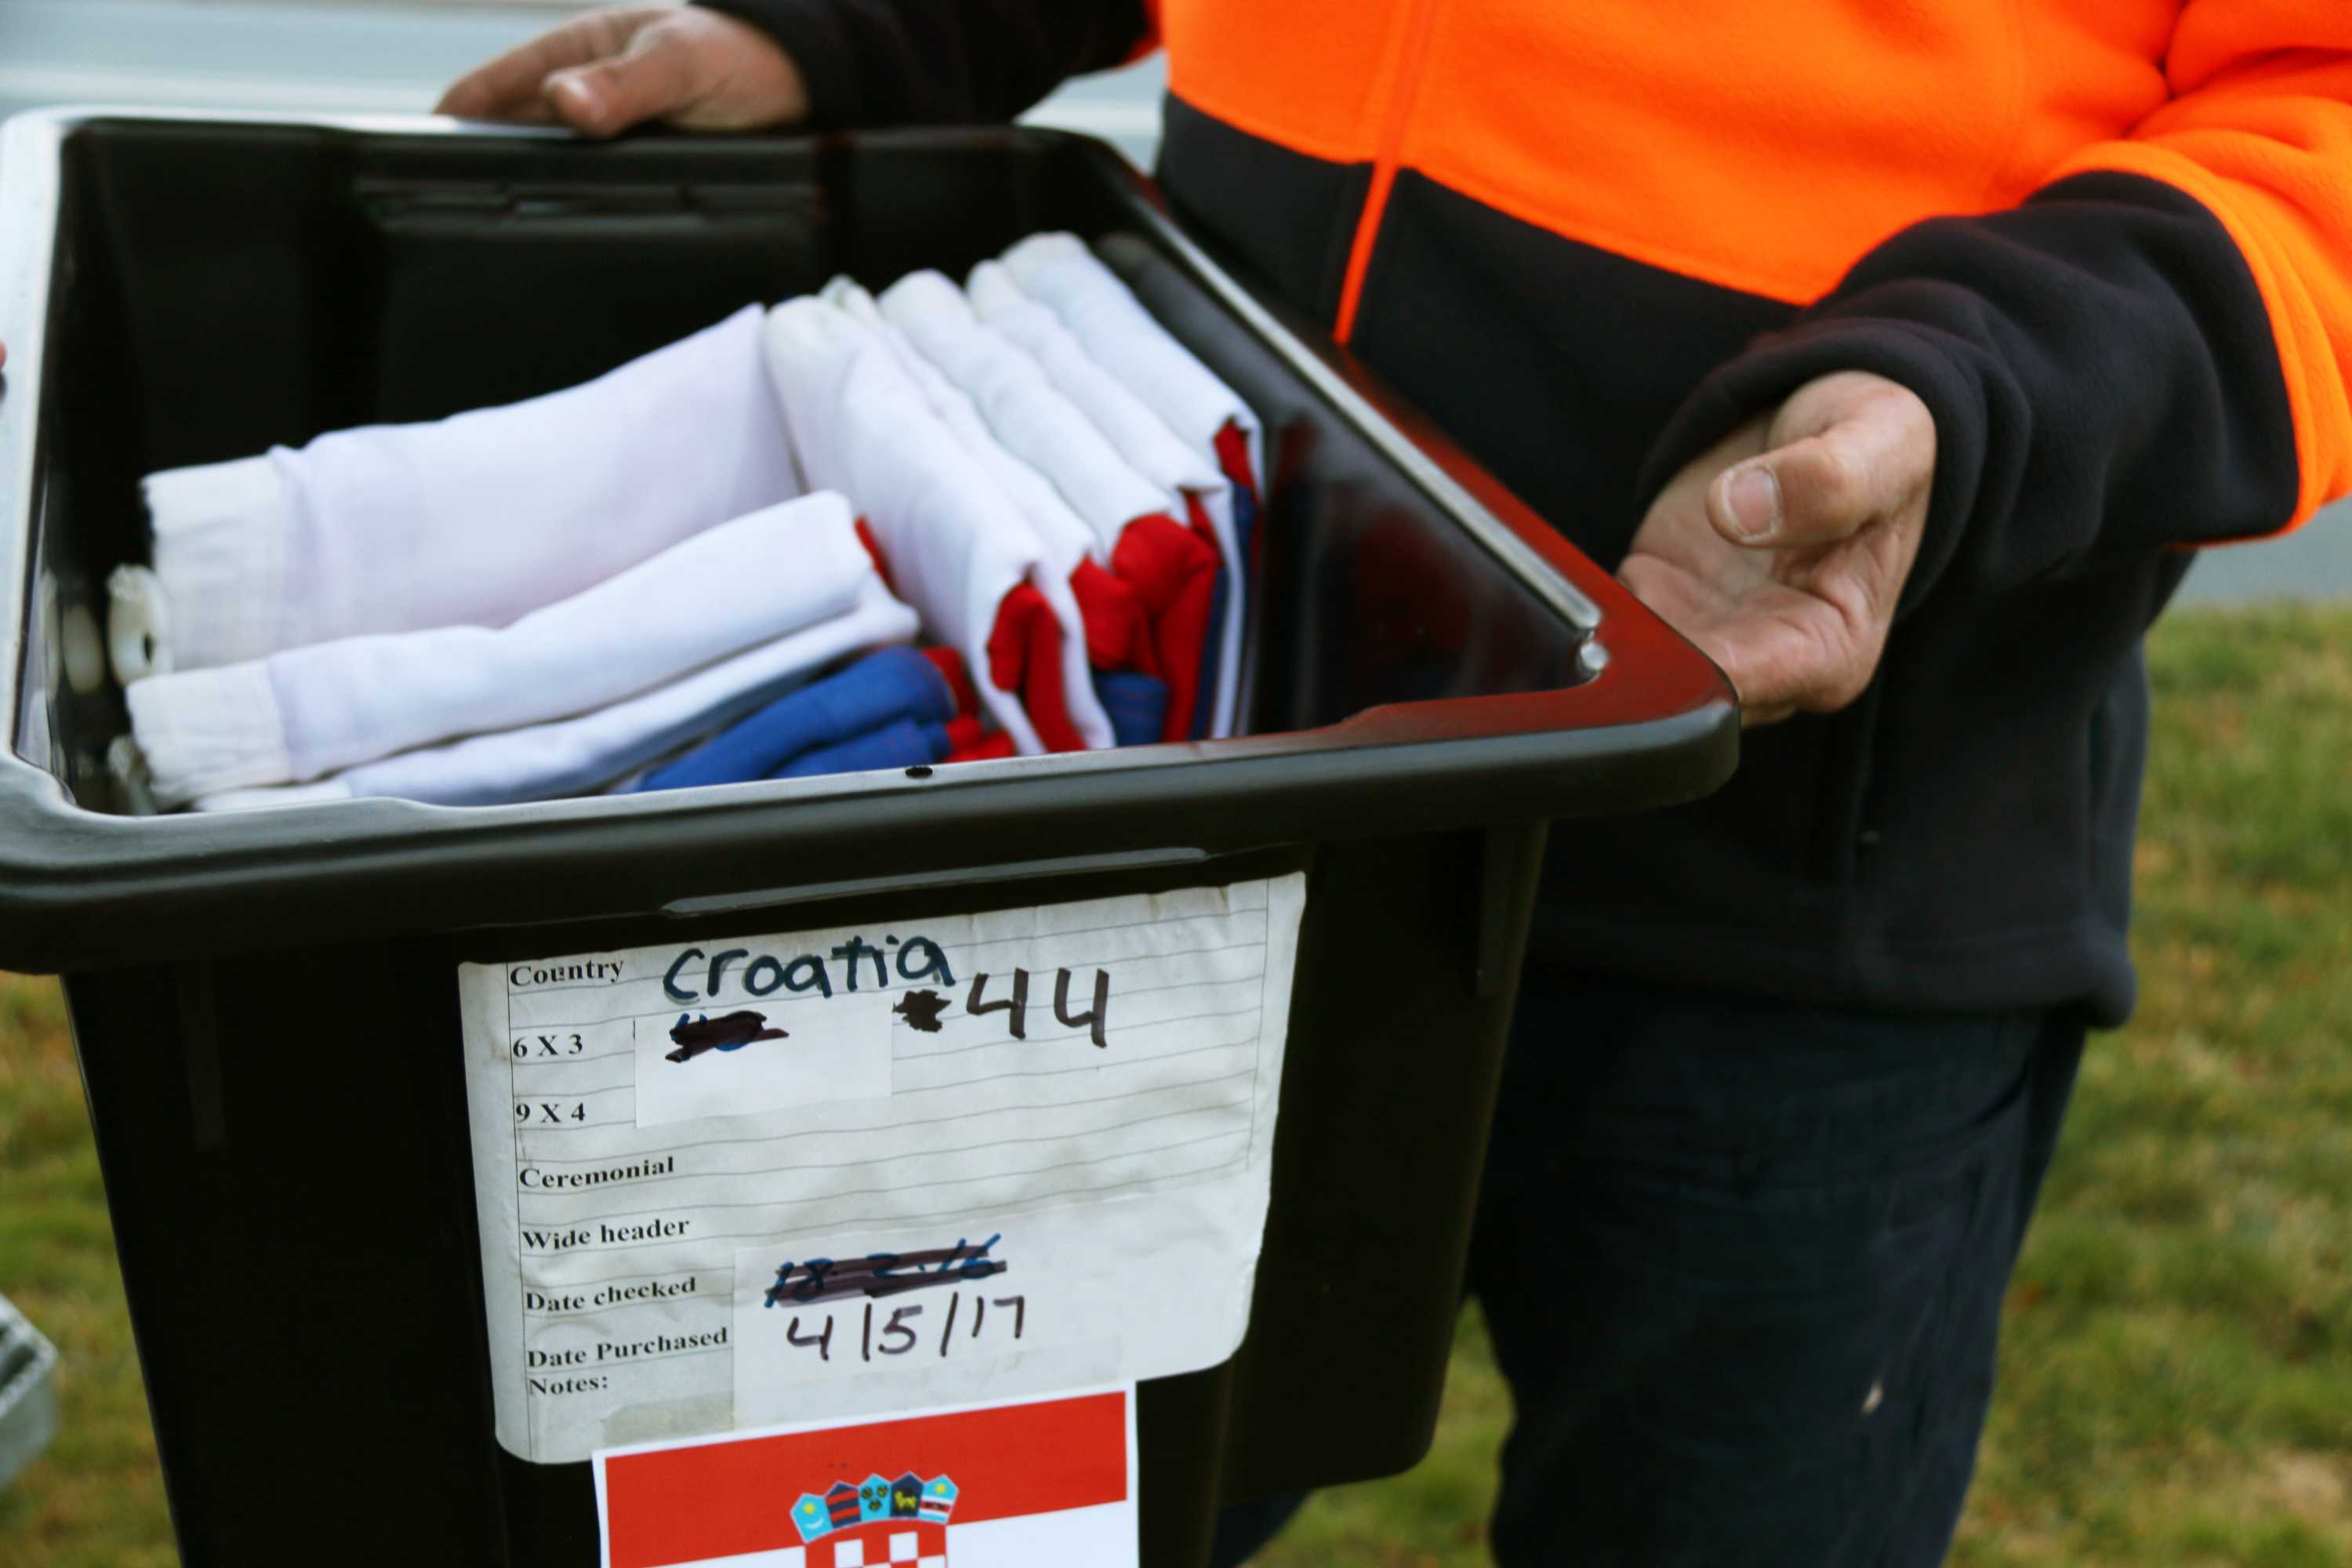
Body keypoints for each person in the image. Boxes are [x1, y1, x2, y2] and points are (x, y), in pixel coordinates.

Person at [440, 6, 2352, 1563]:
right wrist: (854, 34)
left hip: (1823, 885)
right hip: (1245, 791)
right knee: (996, 1518)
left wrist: (1978, 385)